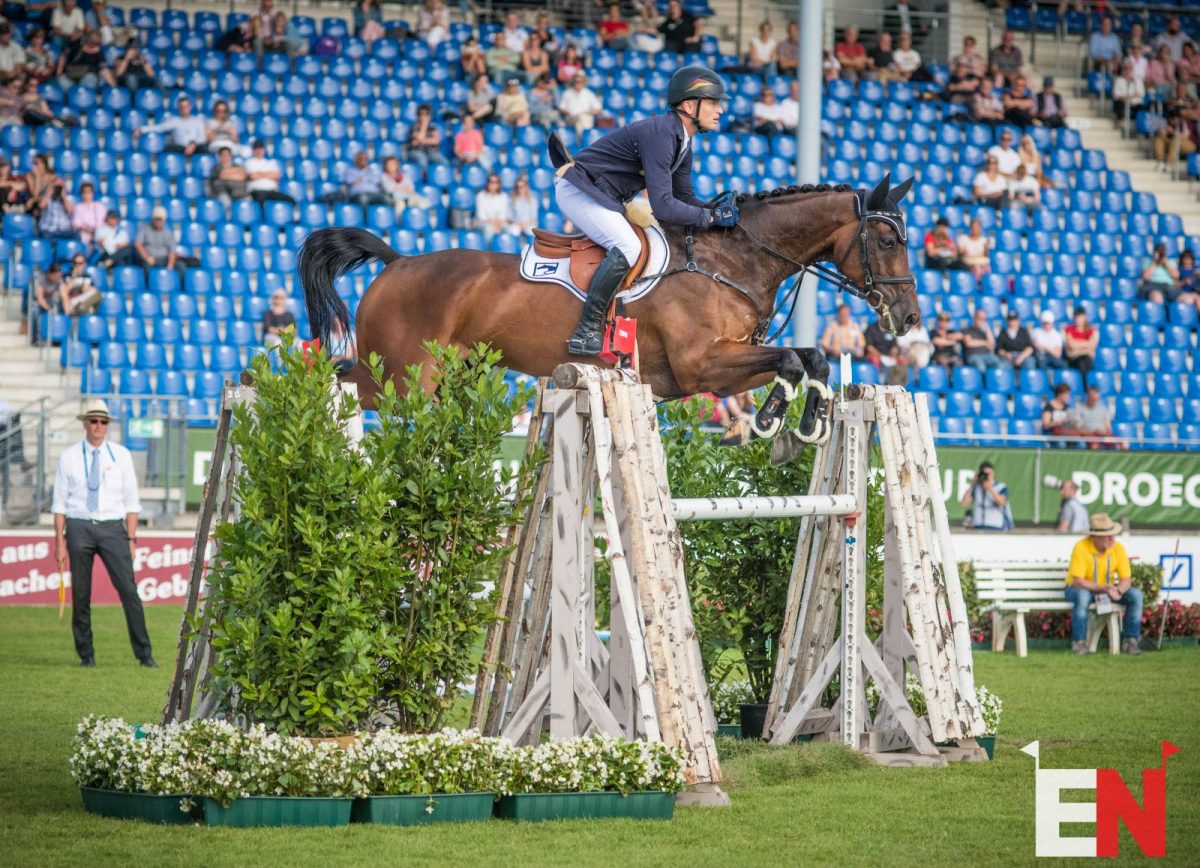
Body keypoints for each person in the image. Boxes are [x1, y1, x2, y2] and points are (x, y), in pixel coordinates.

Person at [554, 65, 737, 355]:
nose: (720, 110)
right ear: (690, 106)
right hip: (579, 189)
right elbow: (663, 207)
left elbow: (685, 197)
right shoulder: (662, 134)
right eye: (714, 103)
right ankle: (586, 330)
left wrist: (715, 211)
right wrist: (710, 217)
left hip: (605, 196)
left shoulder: (682, 140)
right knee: (629, 245)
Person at [52, 398, 156, 669]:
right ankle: (86, 655)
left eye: (103, 421)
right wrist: (59, 543)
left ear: (108, 425)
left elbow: (132, 502)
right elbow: (59, 504)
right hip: (79, 526)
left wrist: (131, 539)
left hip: (113, 528)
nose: (98, 426)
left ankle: (145, 654)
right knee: (81, 595)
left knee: (129, 591)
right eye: (94, 420)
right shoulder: (69, 457)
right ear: (85, 423)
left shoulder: (121, 455)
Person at [1064, 514, 1143, 655]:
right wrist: (1103, 588)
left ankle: (1131, 641)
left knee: (1136, 595)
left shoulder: (1118, 548)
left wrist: (1119, 591)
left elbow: (1126, 579)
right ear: (1095, 537)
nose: (1112, 539)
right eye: (1108, 536)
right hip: (1080, 589)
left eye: (1113, 535)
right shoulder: (1081, 547)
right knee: (1083, 596)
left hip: (1108, 590)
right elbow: (1078, 581)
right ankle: (1079, 643)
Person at [134, 95, 206, 156]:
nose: (184, 109)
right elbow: (160, 127)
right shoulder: (174, 121)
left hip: (195, 147)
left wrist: (193, 145)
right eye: (182, 107)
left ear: (190, 107)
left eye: (186, 106)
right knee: (168, 148)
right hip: (179, 148)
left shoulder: (197, 121)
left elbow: (202, 138)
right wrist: (142, 129)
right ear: (179, 108)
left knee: (204, 148)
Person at [960, 461, 1011, 531]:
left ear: (993, 473)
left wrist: (990, 489)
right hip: (977, 526)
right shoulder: (976, 488)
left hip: (995, 527)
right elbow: (964, 503)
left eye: (988, 474)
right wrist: (972, 484)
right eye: (984, 474)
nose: (987, 476)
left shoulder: (1000, 487)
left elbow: (1001, 502)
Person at [134, 206, 185, 276]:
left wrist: (170, 264)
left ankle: (182, 283)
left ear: (164, 220)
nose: (158, 221)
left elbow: (172, 250)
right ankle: (147, 283)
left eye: (160, 219)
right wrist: (147, 257)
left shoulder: (168, 232)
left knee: (181, 265)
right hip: (149, 258)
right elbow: (138, 244)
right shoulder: (144, 228)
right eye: (156, 219)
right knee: (146, 267)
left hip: (164, 259)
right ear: (153, 219)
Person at [243, 139, 294, 204]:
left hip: (271, 191)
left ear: (264, 150)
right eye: (257, 149)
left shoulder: (271, 162)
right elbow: (253, 176)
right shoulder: (249, 162)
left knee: (290, 200)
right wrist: (269, 174)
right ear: (253, 150)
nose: (259, 151)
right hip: (256, 191)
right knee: (261, 199)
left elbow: (277, 176)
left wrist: (259, 174)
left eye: (261, 148)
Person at [406, 104, 447, 172]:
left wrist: (421, 141)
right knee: (422, 159)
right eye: (422, 114)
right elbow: (420, 138)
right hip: (416, 151)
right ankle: (424, 178)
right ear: (418, 115)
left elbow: (436, 141)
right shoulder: (413, 127)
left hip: (431, 152)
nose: (424, 116)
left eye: (427, 114)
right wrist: (424, 125)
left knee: (444, 161)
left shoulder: (433, 128)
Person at [1064, 307, 1097, 387]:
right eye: (1076, 317)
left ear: (1084, 317)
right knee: (1083, 361)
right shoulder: (1070, 329)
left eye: (1079, 317)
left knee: (1085, 361)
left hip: (1085, 359)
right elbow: (1072, 346)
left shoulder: (1089, 330)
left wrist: (1077, 346)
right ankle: (1087, 388)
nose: (1077, 319)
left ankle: (1089, 387)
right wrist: (1086, 347)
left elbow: (1092, 345)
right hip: (1074, 360)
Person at [474, 172, 510, 243]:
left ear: (499, 184)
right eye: (491, 182)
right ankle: (489, 249)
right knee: (489, 229)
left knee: (512, 230)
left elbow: (503, 215)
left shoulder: (504, 196)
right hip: (484, 223)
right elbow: (481, 216)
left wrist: (497, 225)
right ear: (487, 183)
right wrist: (494, 225)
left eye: (496, 182)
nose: (494, 184)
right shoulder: (480, 196)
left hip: (500, 222)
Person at [70, 180, 106, 250]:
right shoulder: (78, 207)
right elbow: (77, 224)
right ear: (82, 194)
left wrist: (97, 231)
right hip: (84, 235)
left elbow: (103, 222)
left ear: (92, 193)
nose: (86, 194)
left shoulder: (99, 206)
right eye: (84, 192)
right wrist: (89, 230)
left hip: (100, 235)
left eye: (88, 192)